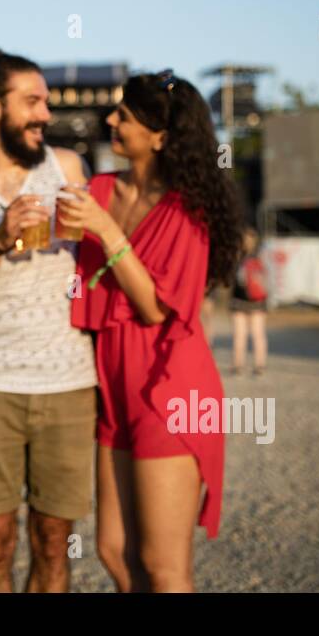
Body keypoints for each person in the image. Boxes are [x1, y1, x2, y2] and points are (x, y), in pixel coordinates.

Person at [58, 70, 242, 593]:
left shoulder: (189, 208)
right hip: (112, 384)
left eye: (126, 114)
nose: (111, 120)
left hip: (171, 387)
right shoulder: (96, 190)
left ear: (161, 135)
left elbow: (155, 308)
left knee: (164, 566)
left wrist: (107, 230)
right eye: (115, 110)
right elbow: (63, 273)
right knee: (113, 549)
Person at [0, 43, 97, 593]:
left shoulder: (68, 167)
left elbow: (101, 265)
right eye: (32, 102)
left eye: (47, 102)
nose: (46, 115)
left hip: (70, 383)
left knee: (55, 542)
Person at [230, 227, 269, 376]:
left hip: (239, 300)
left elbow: (233, 280)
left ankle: (238, 365)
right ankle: (259, 365)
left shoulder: (236, 256)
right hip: (257, 301)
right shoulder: (262, 256)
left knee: (242, 334)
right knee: (257, 334)